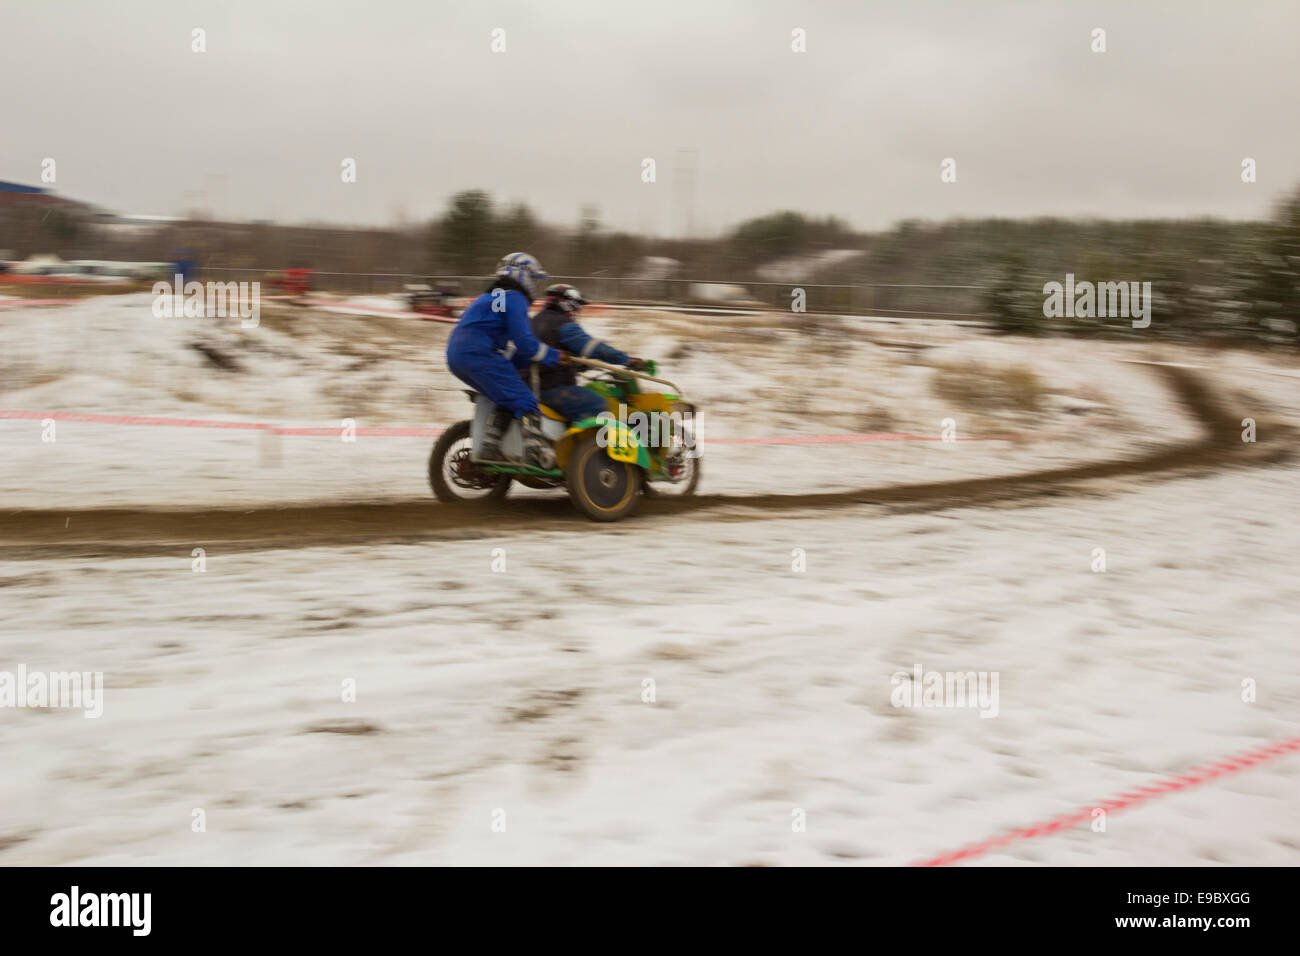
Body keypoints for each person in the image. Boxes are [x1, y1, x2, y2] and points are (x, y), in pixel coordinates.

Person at [445, 253, 562, 464]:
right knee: (526, 401)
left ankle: (490, 447)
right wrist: (555, 356)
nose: (534, 285)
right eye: (533, 279)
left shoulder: (494, 296)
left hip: (457, 355)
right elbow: (525, 343)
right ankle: (534, 454)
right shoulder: (514, 298)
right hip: (479, 355)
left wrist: (525, 363)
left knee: (506, 398)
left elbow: (506, 342)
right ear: (522, 275)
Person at [528, 284, 646, 422]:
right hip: (550, 389)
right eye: (577, 307)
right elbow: (594, 347)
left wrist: (585, 365)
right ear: (566, 304)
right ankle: (588, 443)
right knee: (597, 403)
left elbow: (554, 355)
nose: (577, 311)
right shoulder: (562, 325)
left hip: (533, 385)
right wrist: (627, 360)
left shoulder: (535, 321)